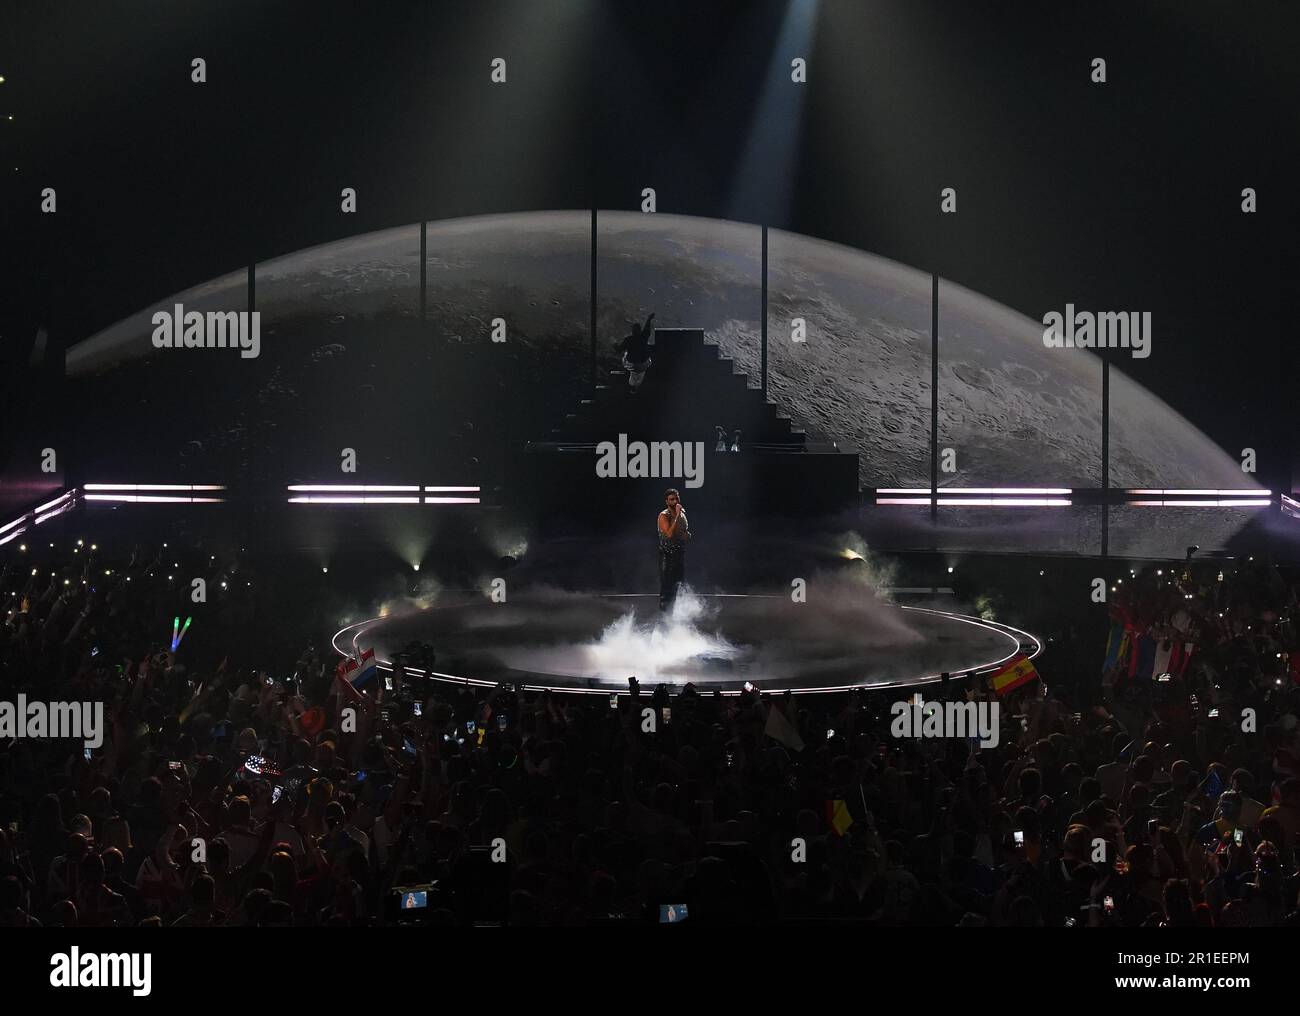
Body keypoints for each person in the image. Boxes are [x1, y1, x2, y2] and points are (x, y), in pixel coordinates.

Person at [657, 488, 690, 611]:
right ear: (667, 501)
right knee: (667, 590)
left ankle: (675, 617)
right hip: (667, 556)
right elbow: (669, 534)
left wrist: (686, 535)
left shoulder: (682, 515)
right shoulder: (663, 515)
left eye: (677, 498)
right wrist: (676, 516)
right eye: (672, 499)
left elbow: (681, 533)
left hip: (679, 555)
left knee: (678, 587)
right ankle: (663, 618)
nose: (675, 501)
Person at [618, 313, 655, 393]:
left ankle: (633, 387)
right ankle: (635, 387)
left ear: (632, 331)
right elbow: (647, 328)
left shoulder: (628, 340)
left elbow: (619, 350)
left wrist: (613, 344)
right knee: (639, 375)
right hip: (643, 364)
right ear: (640, 331)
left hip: (631, 364)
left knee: (634, 374)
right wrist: (649, 319)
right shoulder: (643, 337)